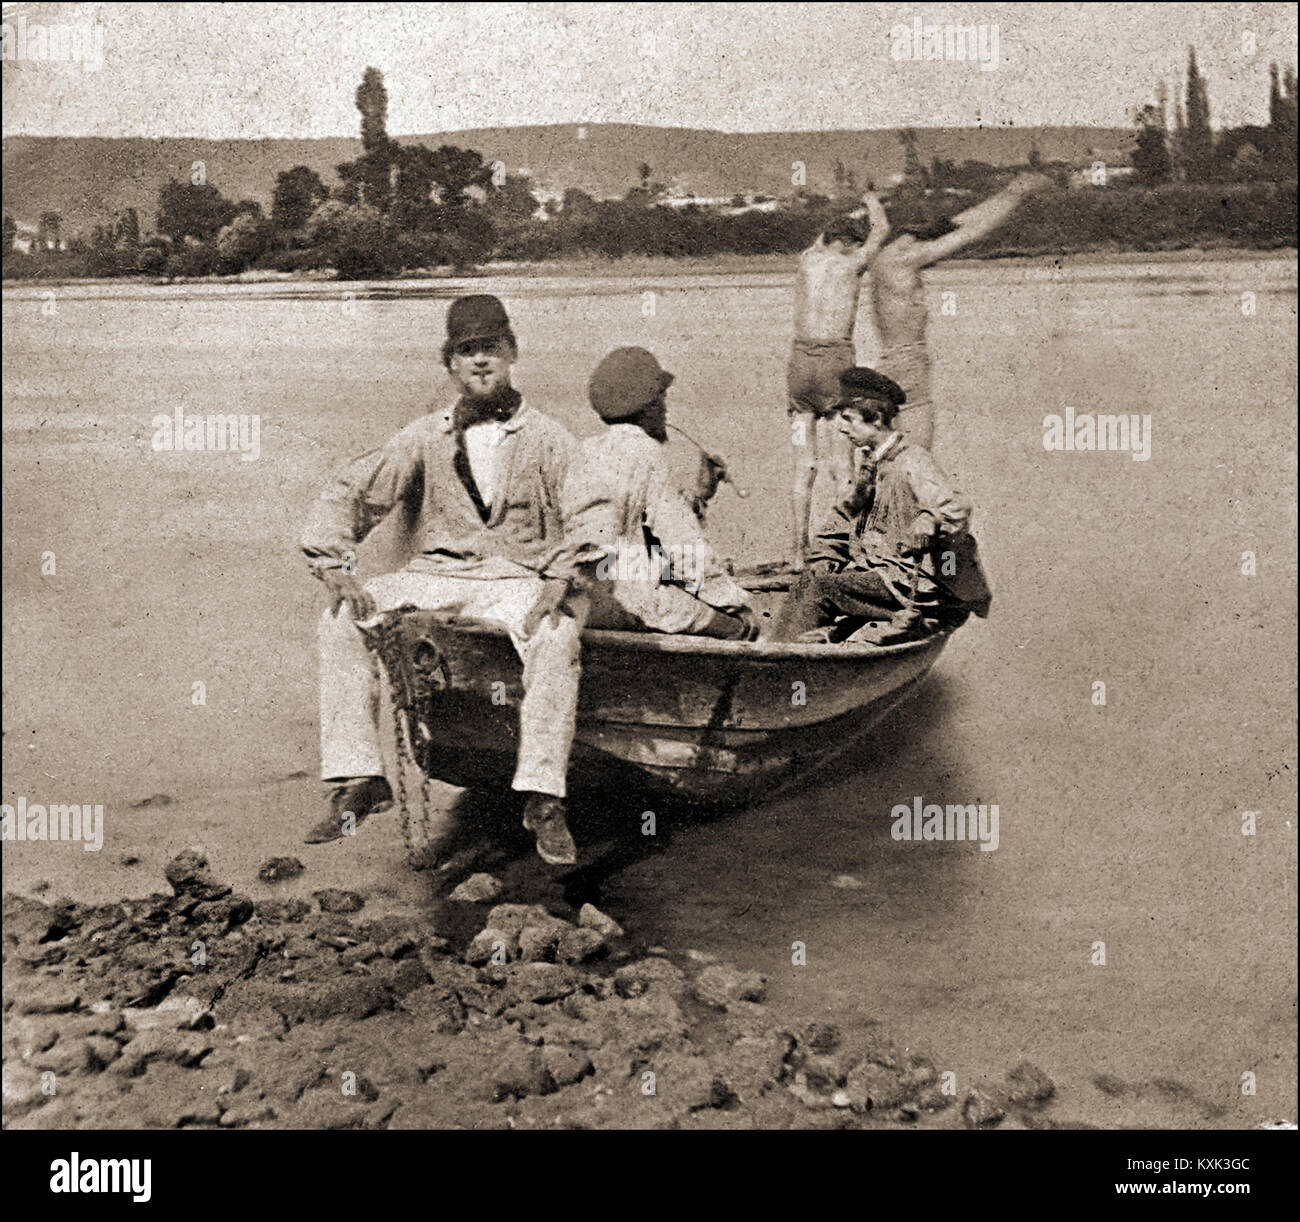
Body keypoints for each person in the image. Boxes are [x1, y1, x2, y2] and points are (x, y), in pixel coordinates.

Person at [300, 294, 601, 867]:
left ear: (511, 353)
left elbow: (592, 511)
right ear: (451, 365)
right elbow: (352, 492)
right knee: (342, 616)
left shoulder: (549, 438)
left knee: (558, 635)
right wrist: (334, 564)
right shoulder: (424, 436)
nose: (480, 362)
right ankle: (363, 778)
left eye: (490, 348)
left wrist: (564, 576)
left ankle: (542, 797)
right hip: (437, 573)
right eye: (467, 352)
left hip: (515, 576)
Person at [771, 367, 990, 643]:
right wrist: (821, 559)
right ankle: (795, 647)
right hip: (880, 573)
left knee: (820, 588)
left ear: (874, 419)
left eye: (849, 420)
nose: (841, 427)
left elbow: (956, 508)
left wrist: (930, 519)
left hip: (914, 583)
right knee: (810, 579)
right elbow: (845, 518)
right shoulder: (872, 463)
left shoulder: (912, 460)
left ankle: (780, 658)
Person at [567, 347, 759, 640]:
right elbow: (682, 545)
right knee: (741, 629)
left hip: (574, 596)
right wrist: (734, 603)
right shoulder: (645, 451)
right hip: (623, 599)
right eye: (663, 399)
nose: (666, 410)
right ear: (651, 406)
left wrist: (701, 494)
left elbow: (641, 526)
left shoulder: (583, 450)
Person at [869, 172, 1052, 449]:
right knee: (917, 456)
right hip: (908, 362)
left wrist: (1009, 193)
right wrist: (1015, 194)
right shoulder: (900, 259)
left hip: (892, 360)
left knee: (893, 455)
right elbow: (968, 233)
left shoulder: (889, 255)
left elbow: (953, 225)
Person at [788, 192, 891, 570]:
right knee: (840, 467)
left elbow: (821, 240)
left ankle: (797, 552)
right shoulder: (853, 265)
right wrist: (870, 199)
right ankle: (843, 551)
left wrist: (840, 212)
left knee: (804, 467)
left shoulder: (807, 261)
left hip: (799, 369)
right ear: (849, 244)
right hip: (834, 364)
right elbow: (882, 229)